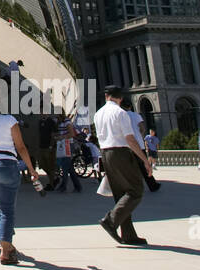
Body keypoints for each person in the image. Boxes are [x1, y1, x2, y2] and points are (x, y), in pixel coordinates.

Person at [0, 80, 41, 265]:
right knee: (7, 210)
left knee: (1, 206)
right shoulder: (10, 120)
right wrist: (32, 169)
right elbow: (21, 147)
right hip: (6, 164)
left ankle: (8, 246)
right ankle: (5, 249)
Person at [94, 86, 152, 246]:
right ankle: (111, 220)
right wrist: (144, 160)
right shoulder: (121, 113)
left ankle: (128, 234)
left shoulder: (98, 114)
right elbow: (130, 139)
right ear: (120, 98)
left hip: (106, 154)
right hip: (121, 153)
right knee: (135, 190)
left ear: (106, 96)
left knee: (120, 195)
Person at [54, 118, 82, 192]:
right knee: (69, 167)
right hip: (62, 145)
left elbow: (72, 134)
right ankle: (77, 186)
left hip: (68, 144)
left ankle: (63, 186)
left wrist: (62, 137)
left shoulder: (67, 121)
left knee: (65, 166)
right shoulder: (57, 121)